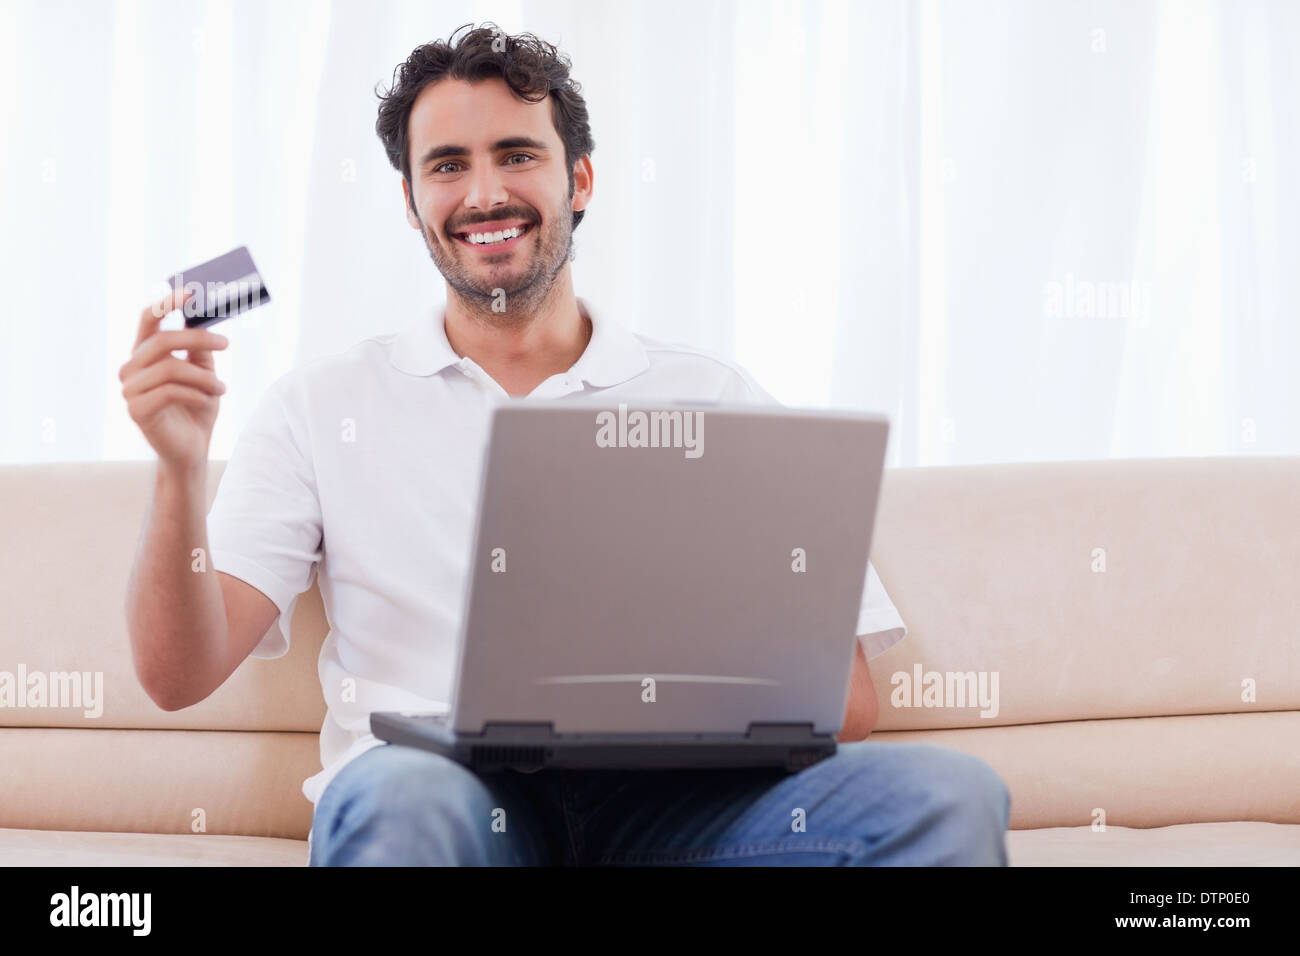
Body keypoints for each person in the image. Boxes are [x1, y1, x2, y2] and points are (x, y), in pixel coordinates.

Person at [121, 22, 1010, 866]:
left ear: (579, 180)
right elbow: (176, 675)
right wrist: (177, 469)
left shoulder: (707, 394)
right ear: (410, 200)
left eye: (517, 155)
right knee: (399, 801)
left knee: (947, 794)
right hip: (443, 799)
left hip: (675, 809)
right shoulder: (319, 406)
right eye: (447, 166)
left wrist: (664, 684)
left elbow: (849, 705)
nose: (484, 194)